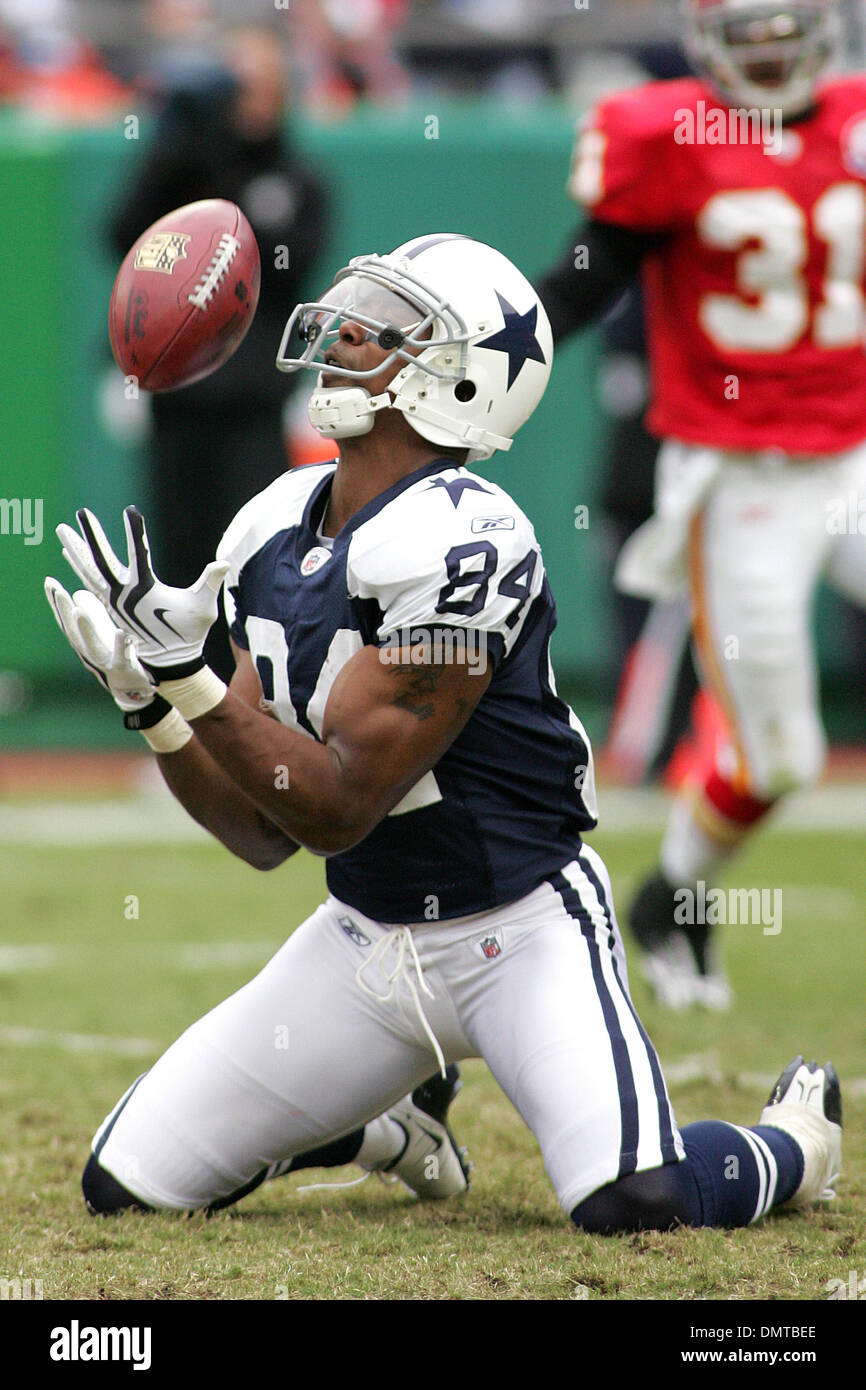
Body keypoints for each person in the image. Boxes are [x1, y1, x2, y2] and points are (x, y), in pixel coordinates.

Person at [46, 233, 840, 1233]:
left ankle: (792, 1144)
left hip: (517, 929)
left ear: (460, 380)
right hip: (364, 941)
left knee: (633, 1202)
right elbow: (262, 832)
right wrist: (154, 705)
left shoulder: (468, 536)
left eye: (384, 327)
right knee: (129, 1185)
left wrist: (188, 677)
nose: (340, 336)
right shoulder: (274, 521)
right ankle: (390, 1130)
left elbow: (334, 805)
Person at [535, 0, 866, 1009]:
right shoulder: (668, 135)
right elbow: (591, 272)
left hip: (855, 451)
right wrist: (515, 332)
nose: (770, 50)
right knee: (778, 757)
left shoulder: (852, 114)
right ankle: (671, 896)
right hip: (738, 475)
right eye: (749, 31)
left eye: (785, 27)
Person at [109, 23, 329, 678]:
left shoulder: (296, 178)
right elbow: (122, 237)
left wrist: (219, 173)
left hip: (251, 404)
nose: (249, 99)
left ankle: (259, 706)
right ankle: (183, 707)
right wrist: (177, 149)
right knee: (177, 559)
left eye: (263, 83)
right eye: (237, 83)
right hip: (178, 400)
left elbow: (281, 266)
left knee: (249, 562)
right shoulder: (182, 163)